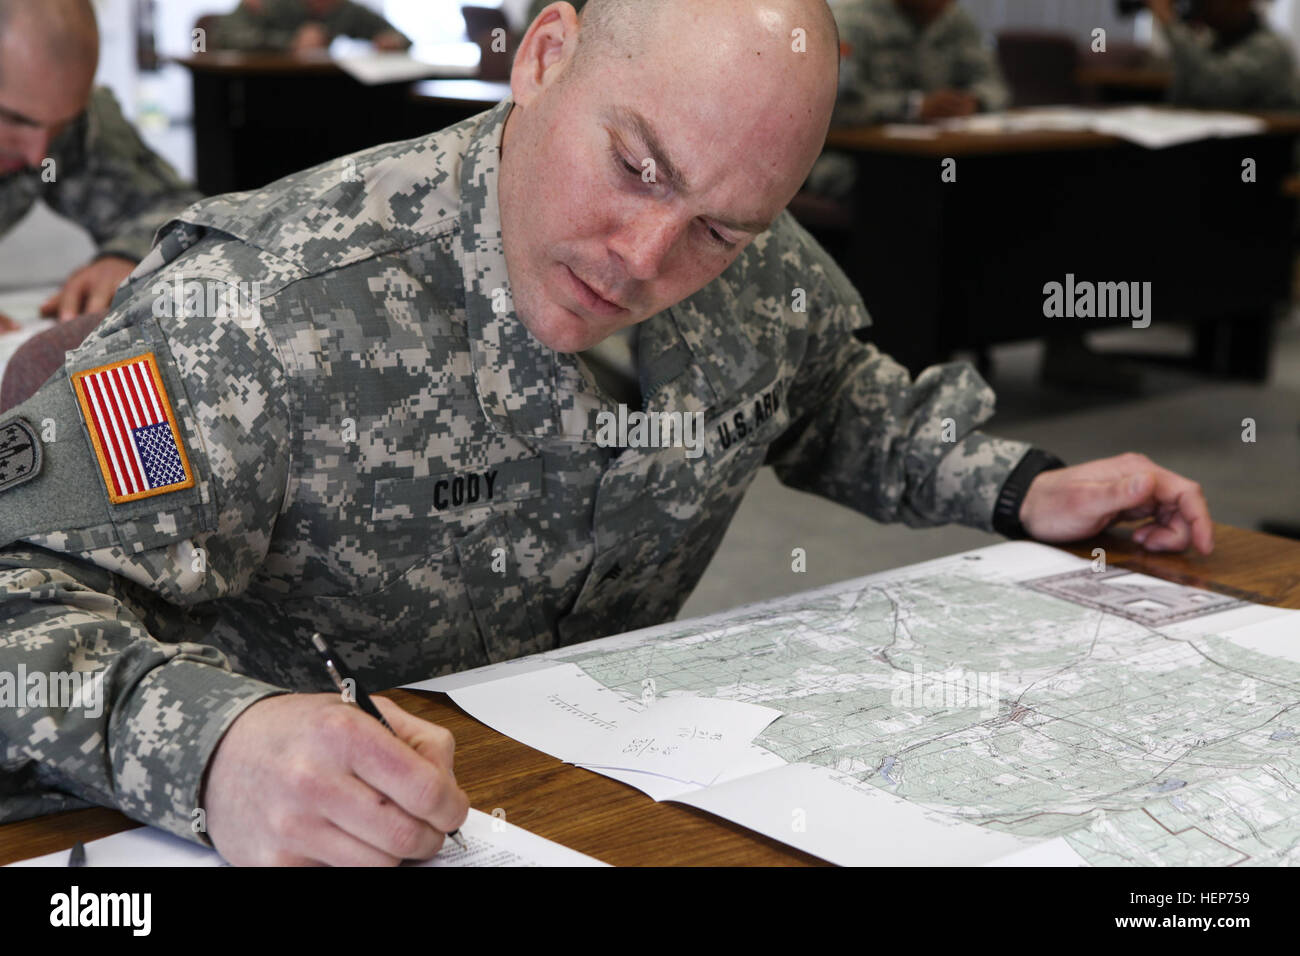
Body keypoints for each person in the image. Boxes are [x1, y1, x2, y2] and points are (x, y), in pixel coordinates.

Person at [0, 0, 1213, 866]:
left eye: (720, 230)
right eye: (633, 165)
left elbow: (834, 395)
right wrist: (217, 749)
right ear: (545, 55)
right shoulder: (257, 304)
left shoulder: (752, 265)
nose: (646, 260)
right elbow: (17, 595)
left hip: (603, 805)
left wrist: (1022, 484)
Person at [0, 0, 200, 329]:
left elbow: (184, 213)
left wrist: (128, 257)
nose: (39, 155)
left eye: (61, 124)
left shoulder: (67, 118)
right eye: (15, 120)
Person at [806, 0, 1009, 197]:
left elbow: (995, 85)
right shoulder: (851, 21)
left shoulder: (955, 19)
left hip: (937, 155)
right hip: (857, 157)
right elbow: (835, 104)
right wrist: (912, 107)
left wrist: (974, 101)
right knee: (907, 187)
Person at [1149, 0, 1300, 110]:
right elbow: (1181, 99)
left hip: (1266, 147)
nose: (1206, 7)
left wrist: (1170, 22)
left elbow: (1214, 88)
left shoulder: (1270, 48)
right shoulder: (1212, 41)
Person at [212, 0, 411, 53]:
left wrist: (392, 41)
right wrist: (290, 42)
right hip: (265, 91)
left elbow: (400, 37)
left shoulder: (347, 10)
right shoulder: (268, 4)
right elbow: (222, 35)